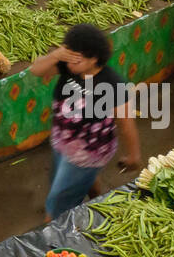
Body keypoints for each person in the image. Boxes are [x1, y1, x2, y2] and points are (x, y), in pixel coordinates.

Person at [30, 24, 140, 223]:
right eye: (69, 56)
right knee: (62, 178)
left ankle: (53, 228)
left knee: (58, 200)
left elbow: (125, 124)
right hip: (62, 141)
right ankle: (99, 198)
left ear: (94, 59)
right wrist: (56, 56)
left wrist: (133, 155)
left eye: (77, 60)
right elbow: (36, 70)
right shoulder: (67, 64)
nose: (71, 64)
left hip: (89, 151)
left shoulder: (112, 85)